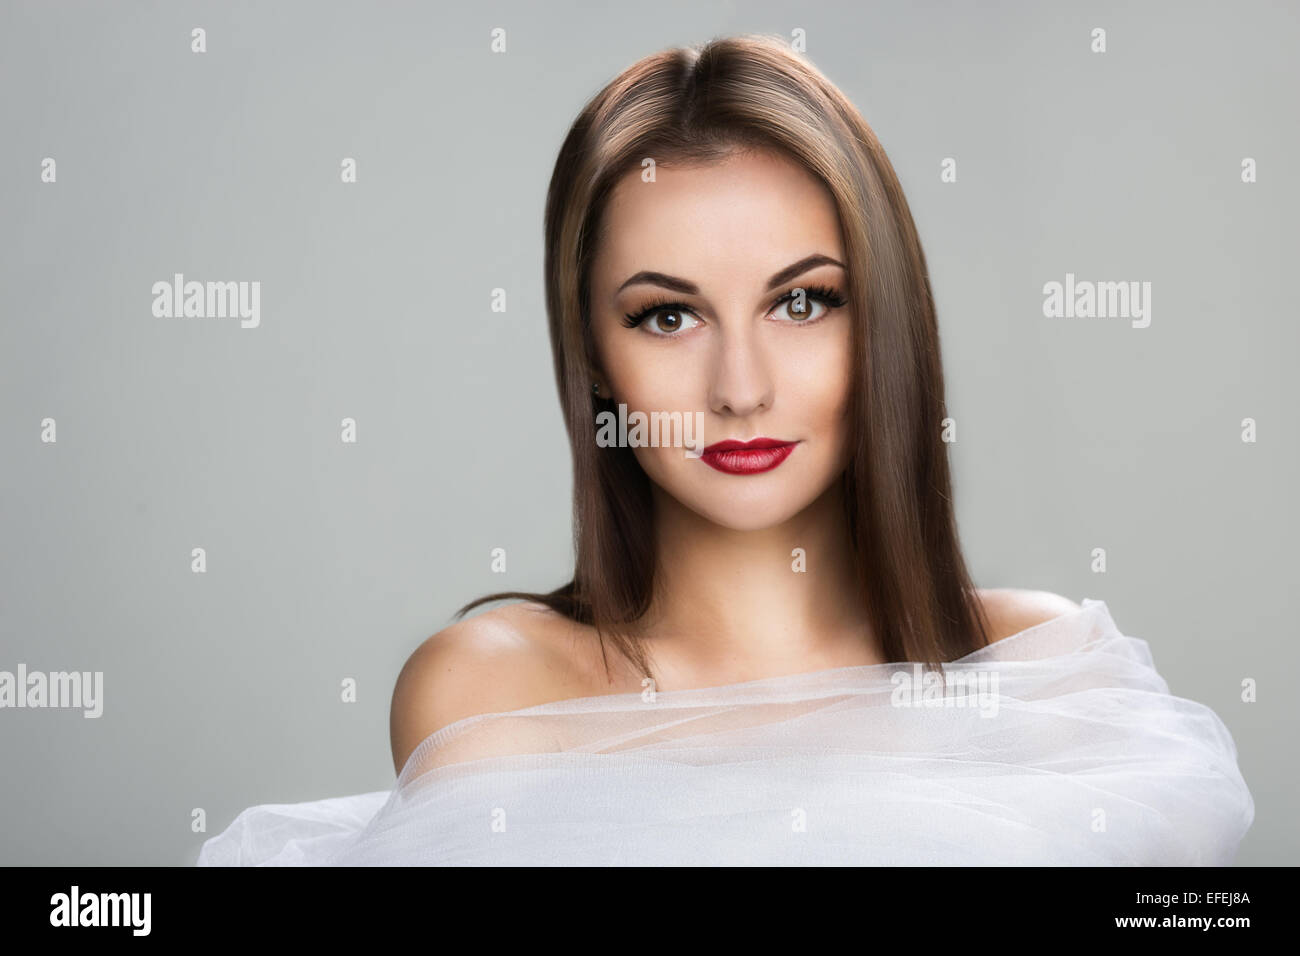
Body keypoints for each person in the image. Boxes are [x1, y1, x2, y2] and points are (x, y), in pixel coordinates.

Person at [198, 34, 1253, 866]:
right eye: (667, 316)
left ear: (884, 321)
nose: (740, 388)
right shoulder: (494, 695)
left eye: (803, 301)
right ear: (594, 356)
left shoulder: (1047, 673)